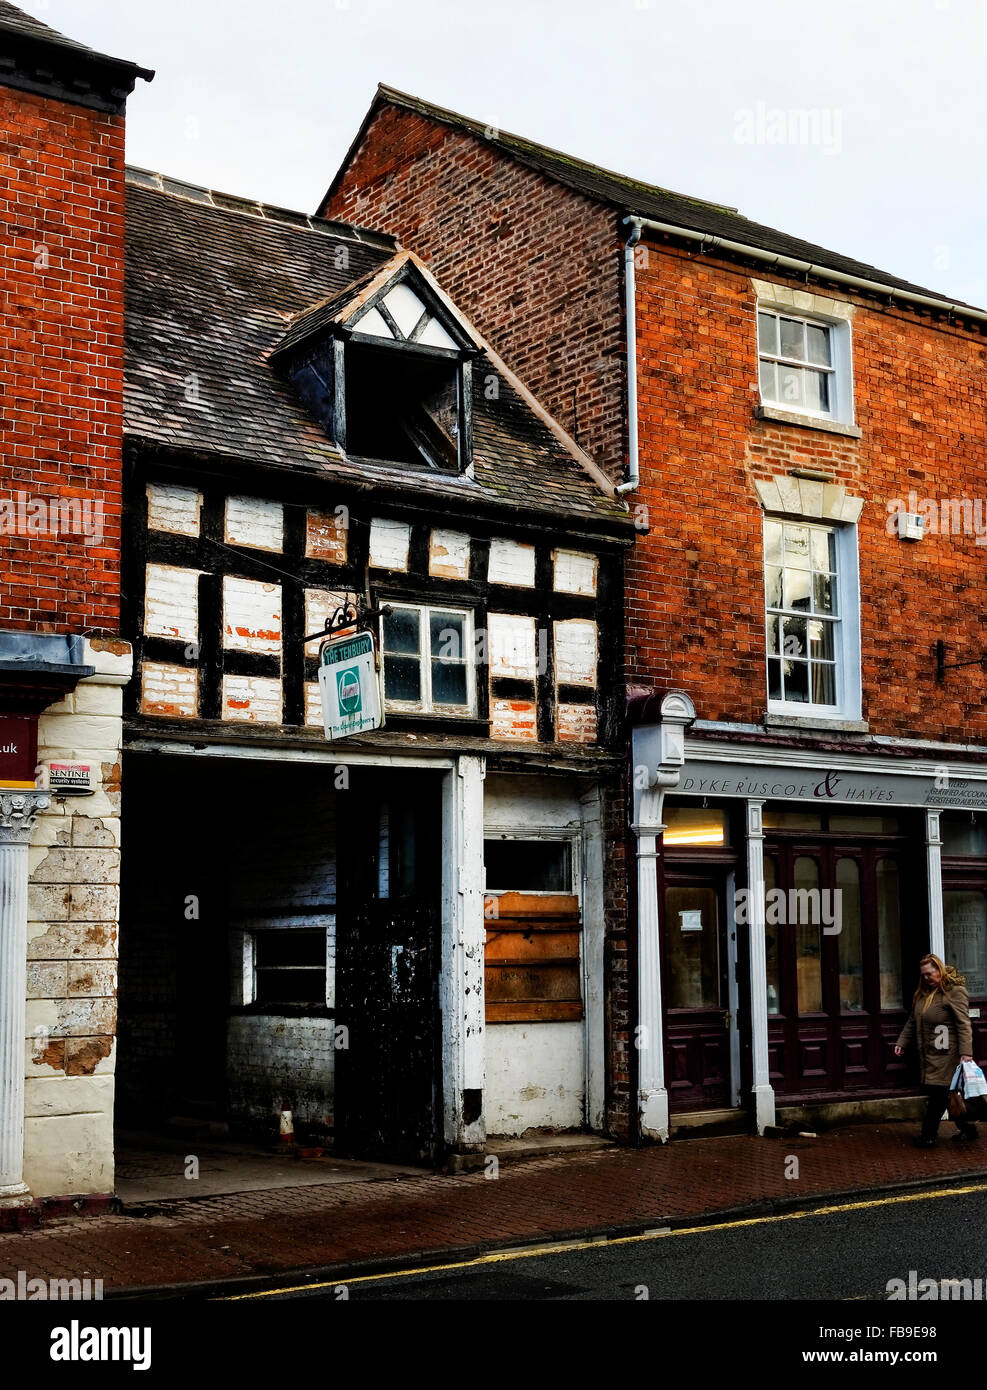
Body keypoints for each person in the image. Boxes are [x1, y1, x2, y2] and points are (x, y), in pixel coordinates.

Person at [894, 953, 977, 1147]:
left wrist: (966, 1052)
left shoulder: (953, 992)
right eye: (923, 975)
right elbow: (913, 1021)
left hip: (948, 1055)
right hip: (930, 1054)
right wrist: (901, 1042)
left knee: (938, 1096)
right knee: (947, 1095)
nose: (926, 978)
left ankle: (928, 1136)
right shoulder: (922, 994)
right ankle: (968, 1130)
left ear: (939, 970)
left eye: (929, 974)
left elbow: (964, 1024)